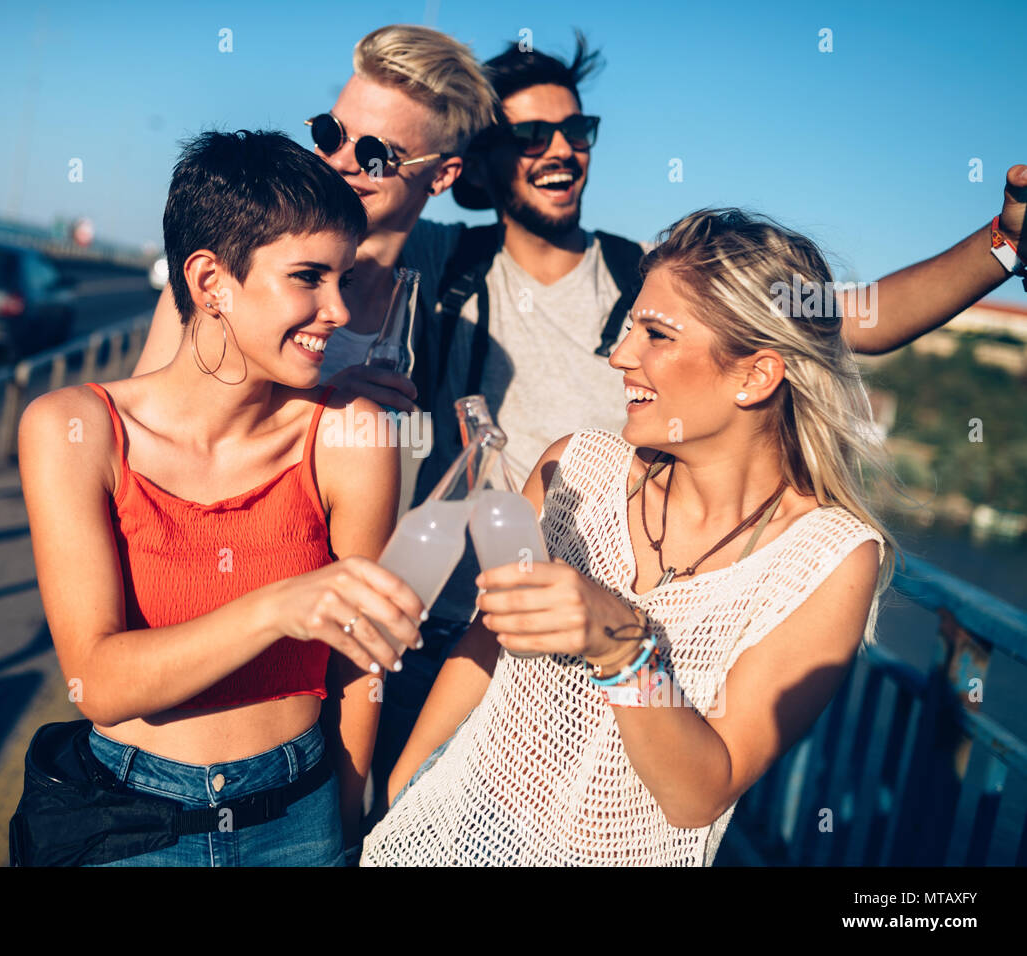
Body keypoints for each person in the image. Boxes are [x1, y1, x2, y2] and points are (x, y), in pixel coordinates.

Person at [366, 32, 1027, 808]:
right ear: (476, 165)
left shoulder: (646, 276)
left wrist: (1006, 242)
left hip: (603, 648)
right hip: (460, 640)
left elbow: (858, 319)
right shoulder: (444, 263)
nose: (561, 150)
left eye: (577, 132)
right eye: (529, 136)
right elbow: (347, 218)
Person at [362, 207, 900, 866]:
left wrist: (624, 648)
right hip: (453, 831)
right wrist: (400, 794)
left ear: (756, 375)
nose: (620, 356)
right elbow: (484, 645)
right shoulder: (573, 469)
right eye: (627, 328)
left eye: (656, 334)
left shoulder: (827, 560)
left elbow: (698, 796)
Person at [17, 129, 426, 866]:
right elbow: (99, 683)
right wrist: (278, 606)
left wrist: (346, 812)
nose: (337, 310)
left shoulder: (350, 434)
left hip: (301, 814)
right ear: (211, 282)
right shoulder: (74, 430)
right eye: (308, 277)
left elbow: (361, 661)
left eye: (344, 278)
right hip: (130, 822)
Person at [130, 24, 500, 417]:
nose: (339, 161)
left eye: (375, 152)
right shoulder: (231, 267)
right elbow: (144, 425)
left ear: (442, 176)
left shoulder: (431, 292)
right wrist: (319, 407)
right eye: (331, 132)